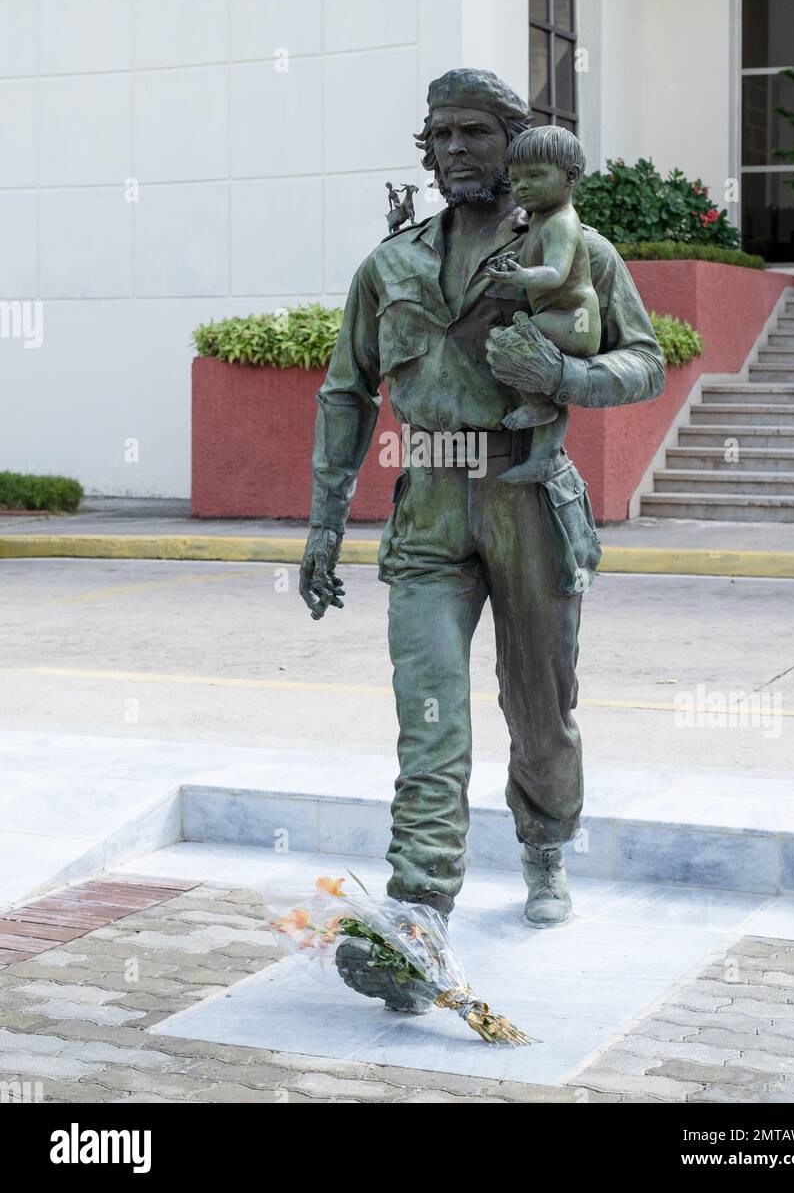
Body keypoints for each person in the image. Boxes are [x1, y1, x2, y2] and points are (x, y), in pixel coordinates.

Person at [299, 68, 665, 1013]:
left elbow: (643, 361)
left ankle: (545, 849)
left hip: (528, 493)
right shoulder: (391, 266)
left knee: (540, 707)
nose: (457, 149)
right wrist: (324, 523)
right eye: (441, 136)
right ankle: (420, 913)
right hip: (427, 503)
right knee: (430, 719)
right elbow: (346, 392)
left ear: (514, 143)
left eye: (476, 133)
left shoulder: (573, 243)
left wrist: (562, 373)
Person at [486, 123, 601, 483]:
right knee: (545, 385)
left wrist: (519, 275)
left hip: (574, 319)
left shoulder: (561, 224)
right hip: (559, 315)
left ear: (570, 176)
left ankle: (536, 407)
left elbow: (553, 273)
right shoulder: (538, 220)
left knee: (510, 344)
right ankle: (541, 456)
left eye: (534, 176)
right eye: (515, 179)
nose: (521, 187)